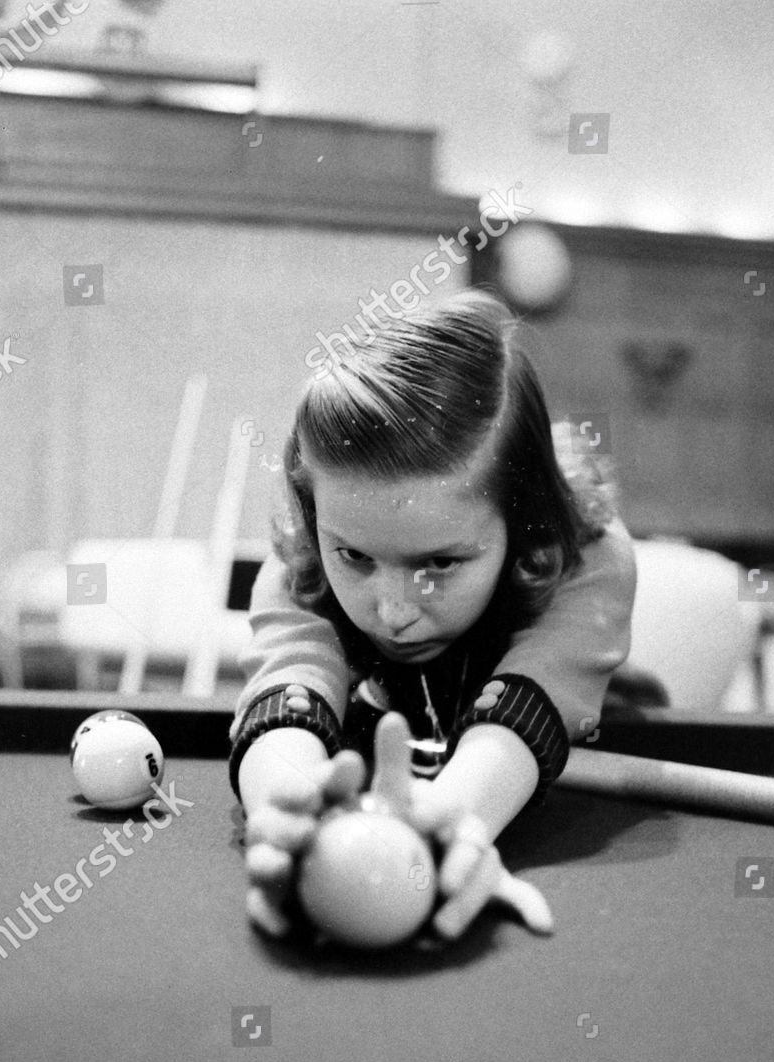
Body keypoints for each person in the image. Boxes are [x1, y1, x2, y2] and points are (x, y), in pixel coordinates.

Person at [228, 288, 637, 942]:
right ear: (314, 512)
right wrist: (290, 809)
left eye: (441, 564)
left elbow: (515, 718)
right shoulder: (300, 562)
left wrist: (444, 819)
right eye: (353, 555)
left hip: (591, 754)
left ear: (523, 523)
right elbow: (288, 694)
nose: (391, 612)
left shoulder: (586, 557)